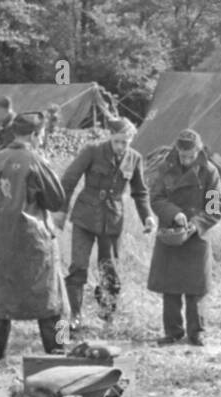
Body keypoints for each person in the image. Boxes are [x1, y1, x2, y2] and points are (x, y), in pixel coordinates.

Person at [0, 112, 68, 360]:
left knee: (3, 300)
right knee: (51, 299)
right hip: (37, 241)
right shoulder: (36, 160)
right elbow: (57, 199)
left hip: (5, 241)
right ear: (36, 134)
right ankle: (58, 350)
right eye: (42, 134)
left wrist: (1, 229)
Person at [58, 116, 156, 332]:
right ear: (110, 137)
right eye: (117, 141)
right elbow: (69, 180)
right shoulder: (92, 151)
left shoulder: (134, 158)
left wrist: (147, 216)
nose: (121, 146)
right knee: (78, 267)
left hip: (112, 220)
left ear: (131, 140)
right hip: (85, 217)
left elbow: (140, 192)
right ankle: (75, 316)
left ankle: (106, 316)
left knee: (109, 270)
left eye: (125, 142)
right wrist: (61, 212)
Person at [147, 129, 221, 346]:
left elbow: (214, 209)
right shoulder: (165, 168)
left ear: (198, 151)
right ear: (177, 151)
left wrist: (195, 224)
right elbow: (156, 198)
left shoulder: (210, 172)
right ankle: (173, 331)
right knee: (170, 288)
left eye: (190, 156)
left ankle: (196, 331)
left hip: (197, 237)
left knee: (195, 289)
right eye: (183, 156)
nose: (186, 160)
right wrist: (174, 214)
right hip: (170, 233)